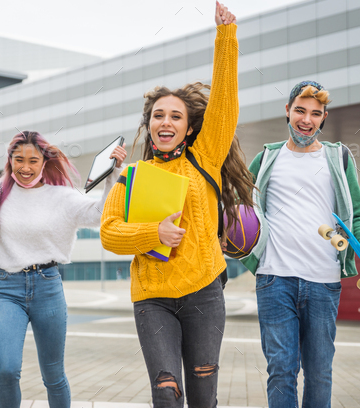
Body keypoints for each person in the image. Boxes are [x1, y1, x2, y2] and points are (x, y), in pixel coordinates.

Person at [100, 3, 254, 406]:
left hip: (204, 292)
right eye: (157, 116)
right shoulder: (131, 177)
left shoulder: (204, 159)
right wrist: (155, 233)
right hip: (151, 298)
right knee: (166, 393)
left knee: (203, 395)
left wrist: (226, 37)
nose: (165, 122)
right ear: (149, 124)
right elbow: (109, 234)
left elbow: (224, 105)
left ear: (188, 128)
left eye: (175, 116)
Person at [239, 81, 360, 407]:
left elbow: (357, 215)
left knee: (319, 373)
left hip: (324, 282)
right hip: (275, 278)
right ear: (287, 112)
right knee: (281, 369)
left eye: (315, 114)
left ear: (324, 118)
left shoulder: (339, 157)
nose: (307, 119)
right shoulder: (266, 159)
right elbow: (238, 206)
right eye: (300, 110)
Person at [0, 131, 126, 408]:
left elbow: (100, 214)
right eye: (19, 160)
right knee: (6, 369)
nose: (26, 167)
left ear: (44, 162)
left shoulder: (62, 196)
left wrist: (113, 175)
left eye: (33, 160)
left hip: (47, 287)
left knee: (53, 375)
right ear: (10, 161)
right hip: (7, 288)